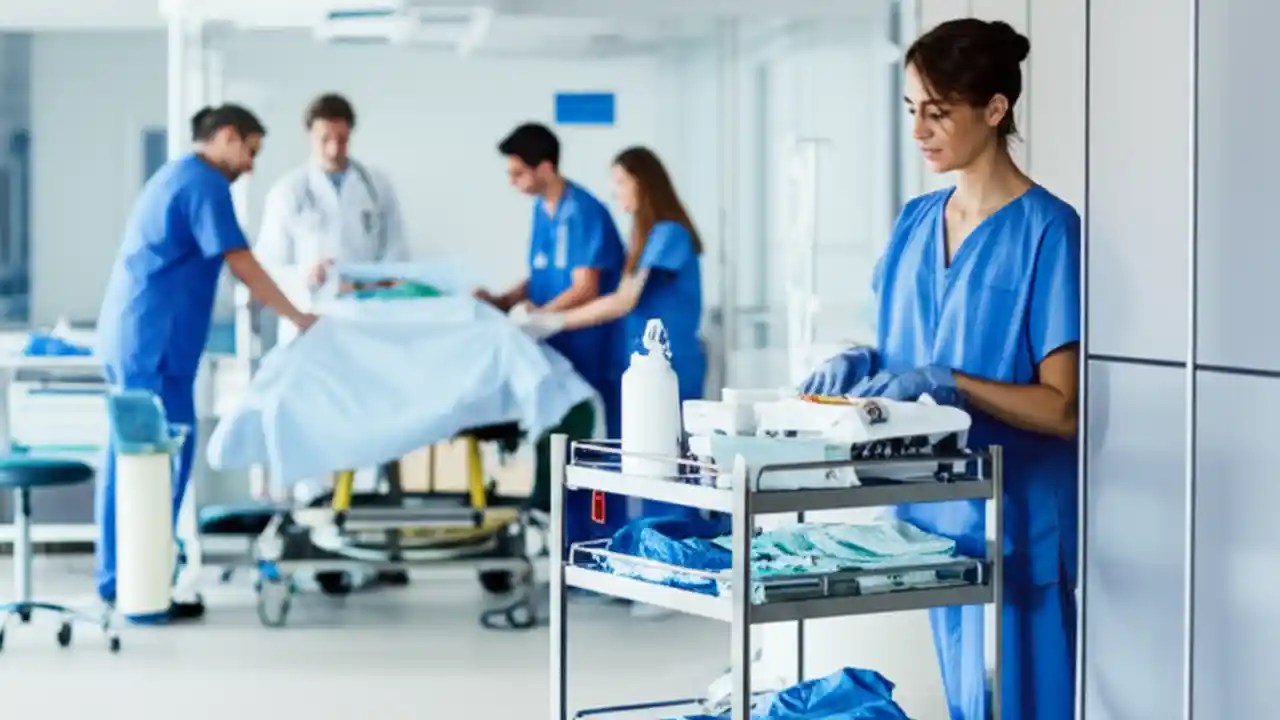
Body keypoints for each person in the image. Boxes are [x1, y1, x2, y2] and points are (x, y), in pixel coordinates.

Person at [799, 20, 1080, 720]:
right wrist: (860, 362)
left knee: (1020, 705)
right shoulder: (916, 220)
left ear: (994, 109)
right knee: (966, 705)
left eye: (938, 111)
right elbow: (906, 349)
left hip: (1014, 525)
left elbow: (1063, 408)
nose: (919, 130)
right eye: (911, 110)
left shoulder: (1049, 230)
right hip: (929, 521)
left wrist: (951, 381)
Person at [95, 104, 318, 622]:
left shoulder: (182, 177)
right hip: (147, 345)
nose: (251, 165)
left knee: (156, 457)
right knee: (146, 463)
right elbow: (239, 260)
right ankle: (133, 588)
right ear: (226, 137)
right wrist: (299, 317)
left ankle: (136, 579)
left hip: (151, 343)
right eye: (250, 151)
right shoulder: (204, 183)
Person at [475, 122, 626, 546]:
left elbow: (585, 287)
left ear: (545, 167)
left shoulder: (583, 212)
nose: (513, 181)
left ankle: (600, 553)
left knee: (592, 459)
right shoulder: (544, 211)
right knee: (561, 456)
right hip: (556, 353)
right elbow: (542, 275)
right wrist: (503, 299)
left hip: (590, 353)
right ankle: (570, 553)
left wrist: (539, 315)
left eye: (518, 173)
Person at [257, 92, 408, 341]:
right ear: (309, 136)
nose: (333, 148)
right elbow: (269, 263)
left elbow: (397, 249)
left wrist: (376, 284)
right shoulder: (288, 190)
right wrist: (306, 273)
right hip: (309, 314)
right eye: (324, 139)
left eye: (342, 139)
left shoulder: (377, 186)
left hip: (367, 313)